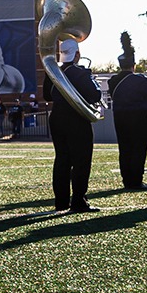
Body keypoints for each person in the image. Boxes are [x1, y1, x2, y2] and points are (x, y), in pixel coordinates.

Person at [44, 37, 101, 212]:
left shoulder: (53, 72)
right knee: (81, 161)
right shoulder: (80, 73)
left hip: (57, 118)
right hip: (77, 120)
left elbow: (47, 96)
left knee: (62, 159)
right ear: (77, 54)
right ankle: (78, 200)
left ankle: (61, 202)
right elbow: (95, 95)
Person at [107, 32, 147, 191]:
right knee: (139, 149)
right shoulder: (140, 79)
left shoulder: (113, 81)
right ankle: (136, 180)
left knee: (125, 149)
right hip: (138, 118)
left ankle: (127, 180)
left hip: (120, 117)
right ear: (133, 65)